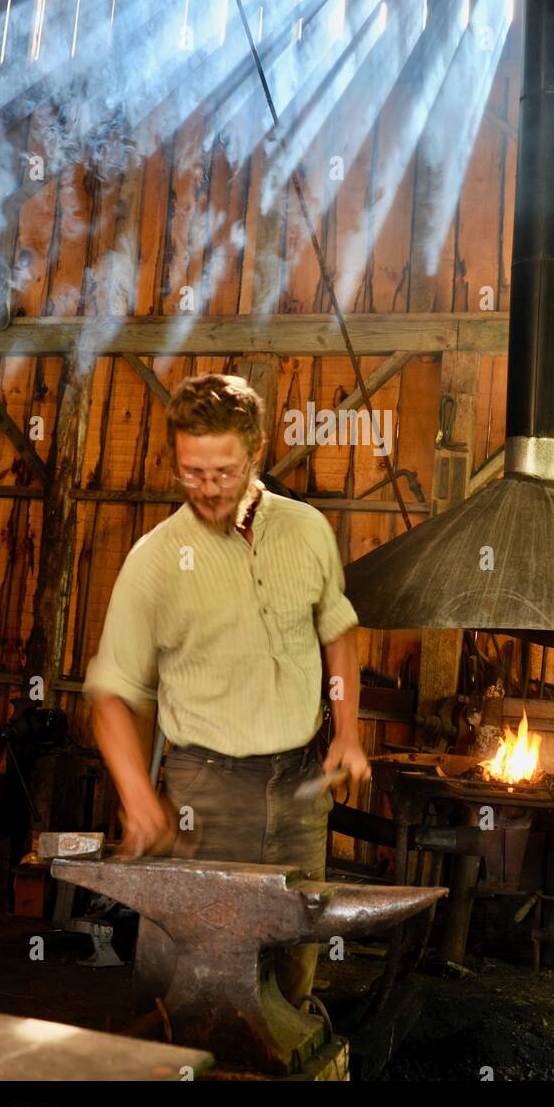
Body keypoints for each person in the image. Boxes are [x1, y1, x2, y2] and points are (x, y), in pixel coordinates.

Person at [83, 372, 369, 1005]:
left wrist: (347, 731)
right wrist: (137, 797)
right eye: (192, 473)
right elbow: (112, 692)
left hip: (299, 791)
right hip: (203, 797)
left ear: (257, 450)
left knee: (292, 974)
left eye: (224, 472)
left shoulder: (306, 531)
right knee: (188, 987)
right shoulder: (154, 560)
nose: (208, 490)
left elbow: (338, 631)